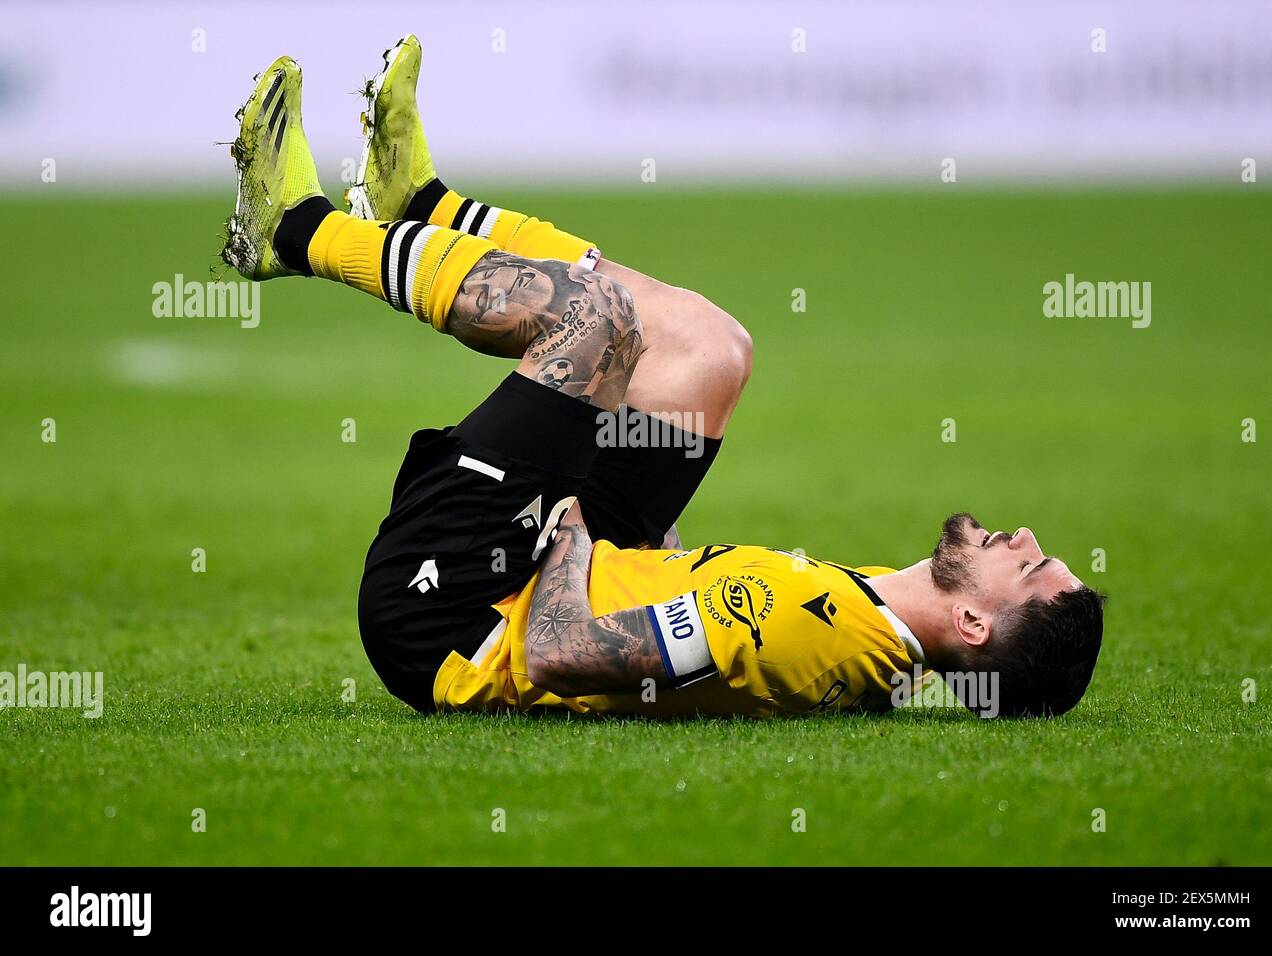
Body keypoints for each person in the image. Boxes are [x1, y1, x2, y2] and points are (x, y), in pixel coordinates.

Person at [221, 38, 1104, 720]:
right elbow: (697, 647)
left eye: (1032, 569)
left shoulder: (807, 625)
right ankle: (424, 209)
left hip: (457, 613)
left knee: (594, 318)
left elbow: (567, 653)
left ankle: (293, 232)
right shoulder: (877, 643)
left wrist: (572, 535)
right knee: (713, 354)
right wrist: (647, 543)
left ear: (978, 627)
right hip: (573, 567)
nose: (1025, 537)